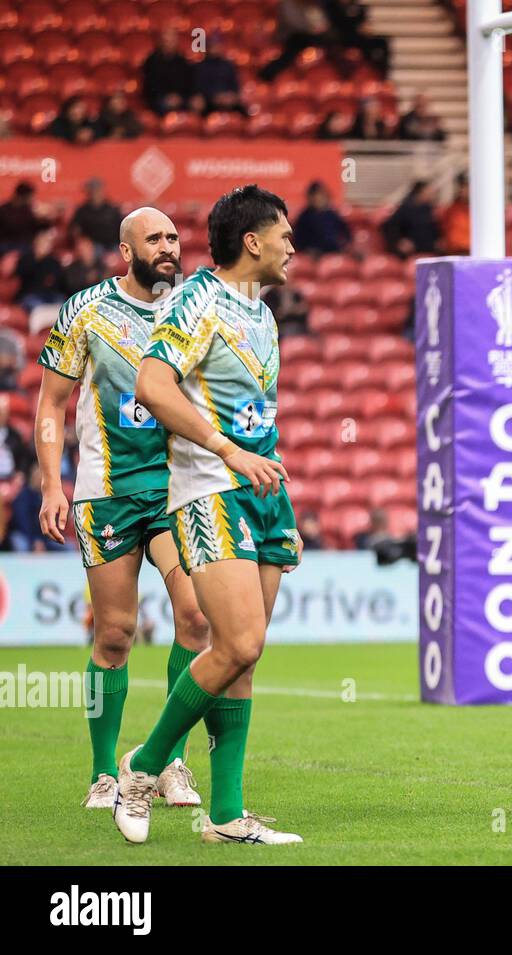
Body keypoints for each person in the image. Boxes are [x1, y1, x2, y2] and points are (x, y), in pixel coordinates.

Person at [113, 185, 301, 846]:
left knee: (243, 660)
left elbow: (253, 414)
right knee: (238, 643)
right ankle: (144, 763)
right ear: (252, 241)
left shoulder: (263, 312)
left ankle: (224, 815)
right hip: (209, 489)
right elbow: (151, 384)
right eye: (284, 234)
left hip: (261, 491)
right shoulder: (200, 298)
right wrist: (225, 449)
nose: (292, 246)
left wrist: (276, 492)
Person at [33, 206, 209, 811]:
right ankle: (104, 773)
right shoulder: (85, 310)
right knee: (115, 634)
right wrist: (52, 486)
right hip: (106, 490)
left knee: (197, 619)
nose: (168, 246)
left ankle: (169, 763)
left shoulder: (193, 309)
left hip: (177, 489)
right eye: (154, 238)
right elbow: (52, 405)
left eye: (172, 237)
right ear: (126, 250)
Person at [142, 28, 197, 115]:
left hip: (180, 97)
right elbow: (150, 86)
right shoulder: (152, 61)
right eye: (167, 41)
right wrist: (167, 97)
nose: (169, 44)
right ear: (161, 42)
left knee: (196, 104)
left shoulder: (182, 61)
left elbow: (189, 82)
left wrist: (181, 97)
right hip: (159, 98)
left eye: (172, 41)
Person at [381, 181, 441, 256]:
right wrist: (399, 241)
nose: (433, 193)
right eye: (430, 190)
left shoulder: (428, 208)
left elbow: (433, 229)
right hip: (412, 250)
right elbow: (389, 226)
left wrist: (438, 240)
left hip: (429, 248)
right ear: (421, 191)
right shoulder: (406, 208)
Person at [293, 181, 351, 254]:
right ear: (310, 197)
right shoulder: (304, 216)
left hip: (333, 250)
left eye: (321, 195)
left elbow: (345, 233)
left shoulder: (332, 215)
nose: (318, 198)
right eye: (315, 195)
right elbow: (298, 239)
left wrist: (344, 245)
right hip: (313, 252)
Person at [194, 32, 245, 114]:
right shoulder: (200, 67)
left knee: (242, 111)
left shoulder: (228, 65)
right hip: (209, 101)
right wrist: (214, 97)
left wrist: (230, 96)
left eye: (217, 45)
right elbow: (199, 87)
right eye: (212, 45)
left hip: (228, 100)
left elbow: (235, 85)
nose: (215, 48)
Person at [16, 229, 65, 309]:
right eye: (43, 242)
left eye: (48, 242)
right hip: (31, 294)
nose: (46, 245)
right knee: (37, 305)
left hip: (51, 295)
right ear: (36, 243)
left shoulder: (53, 261)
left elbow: (58, 279)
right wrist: (39, 257)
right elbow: (24, 274)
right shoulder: (26, 259)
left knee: (63, 304)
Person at [72, 179, 123, 253]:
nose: (96, 194)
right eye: (93, 191)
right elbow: (75, 229)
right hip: (93, 245)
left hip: (113, 244)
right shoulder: (82, 211)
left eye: (98, 190)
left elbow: (120, 227)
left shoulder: (111, 208)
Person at [0, 182, 51, 253]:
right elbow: (12, 226)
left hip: (25, 247)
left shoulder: (30, 210)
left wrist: (45, 219)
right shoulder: (4, 210)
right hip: (6, 247)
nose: (32, 199)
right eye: (30, 197)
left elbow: (41, 228)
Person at [0, 393, 34, 481]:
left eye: (3, 412)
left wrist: (21, 473)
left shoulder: (14, 435)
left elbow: (23, 456)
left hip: (10, 478)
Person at [438, 175, 470, 256]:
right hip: (456, 253)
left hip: (474, 252)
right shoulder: (451, 210)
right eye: (462, 187)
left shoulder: (482, 211)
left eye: (466, 187)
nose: (463, 190)